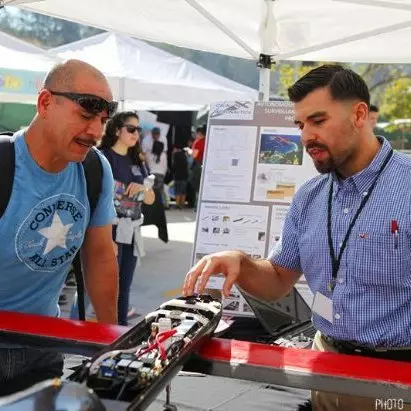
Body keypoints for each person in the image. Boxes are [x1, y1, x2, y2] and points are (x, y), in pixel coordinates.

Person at [183, 65, 411, 411]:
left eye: (318, 121)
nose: (305, 137)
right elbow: (277, 279)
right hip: (324, 367)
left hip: (396, 380)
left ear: (359, 114)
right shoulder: (309, 196)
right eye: (301, 125)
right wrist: (241, 263)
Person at [0, 59, 119, 394]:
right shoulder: (3, 163)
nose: (96, 131)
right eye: (85, 114)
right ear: (45, 103)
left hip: (44, 344)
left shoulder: (95, 169)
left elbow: (99, 257)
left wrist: (110, 341)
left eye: (103, 120)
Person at [99, 111, 155, 326]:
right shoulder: (102, 156)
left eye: (138, 129)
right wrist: (126, 191)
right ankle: (79, 329)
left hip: (131, 229)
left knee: (124, 285)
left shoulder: (138, 159)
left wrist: (141, 189)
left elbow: (150, 199)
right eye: (131, 129)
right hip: (108, 228)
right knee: (100, 285)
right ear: (116, 130)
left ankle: (119, 331)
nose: (136, 133)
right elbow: (106, 193)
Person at [172, 143, 189, 208]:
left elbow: (174, 166)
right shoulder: (184, 155)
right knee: (183, 191)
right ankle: (182, 204)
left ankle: (177, 204)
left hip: (178, 176)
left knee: (178, 190)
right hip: (185, 176)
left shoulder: (176, 155)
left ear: (175, 149)